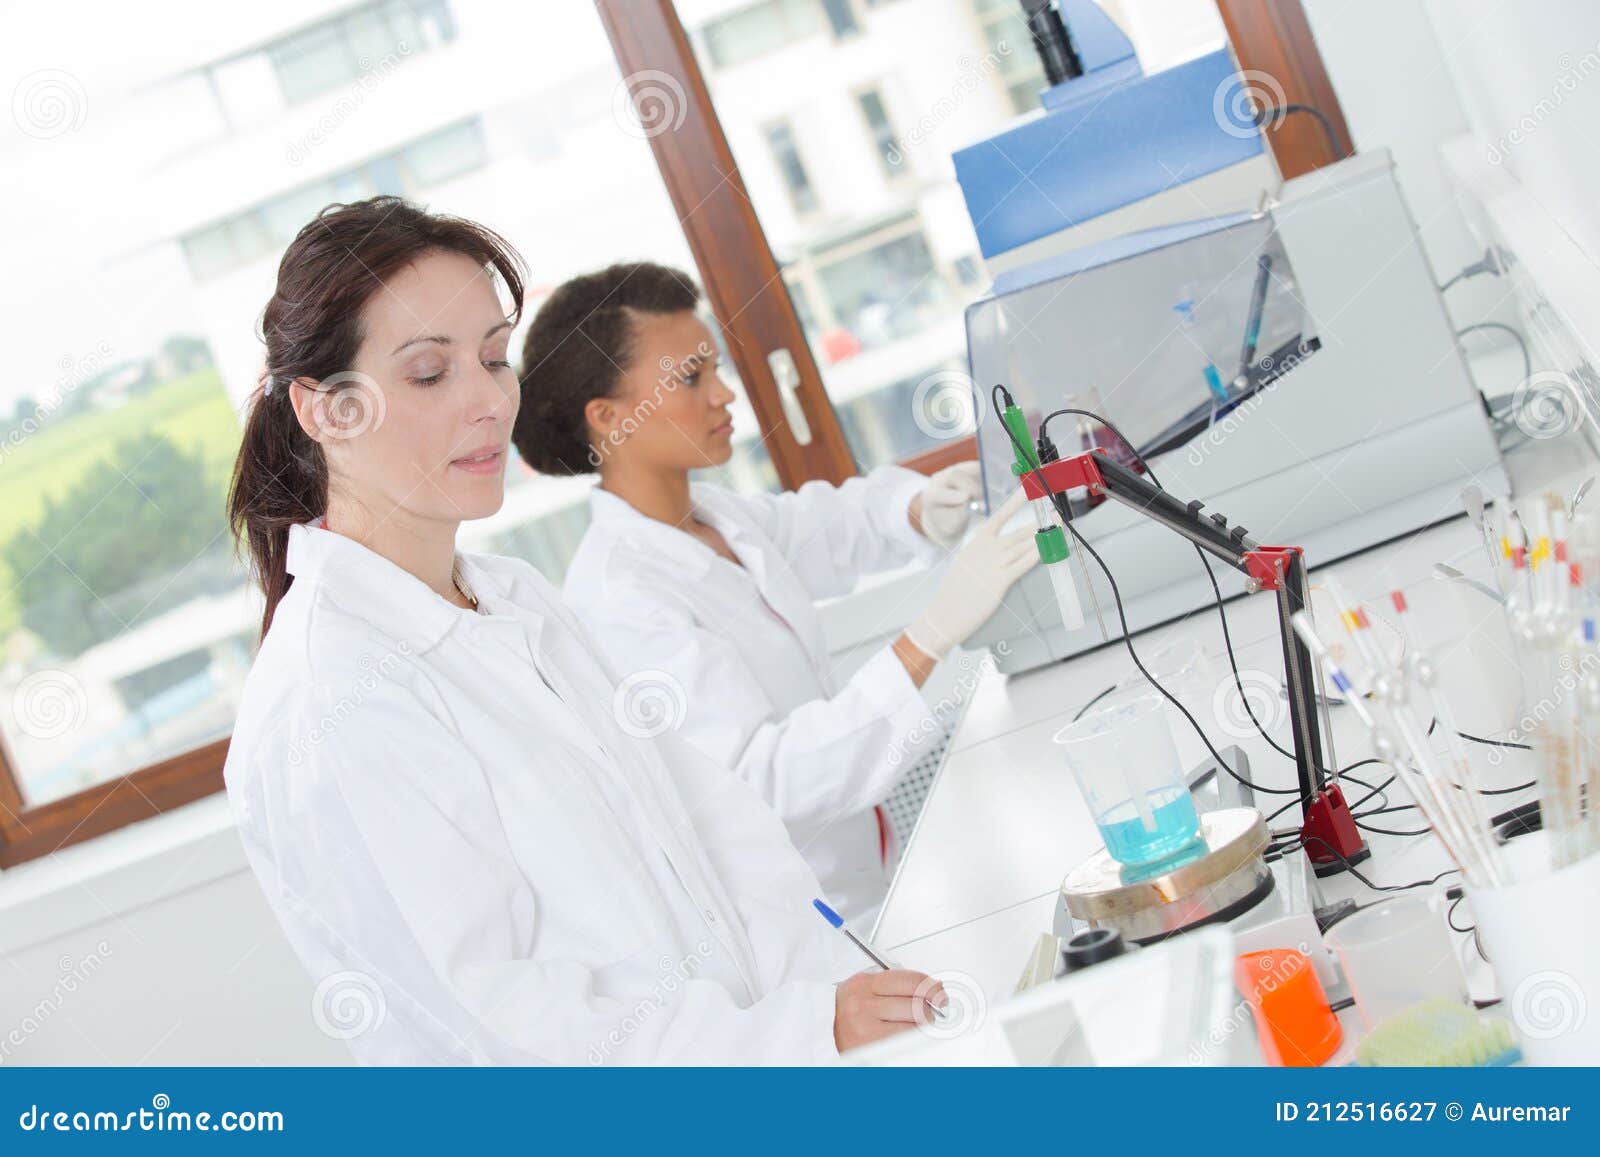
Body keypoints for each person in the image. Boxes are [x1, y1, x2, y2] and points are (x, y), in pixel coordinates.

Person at [223, 198, 943, 1065]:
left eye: (494, 357)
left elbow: (713, 825)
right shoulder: (331, 697)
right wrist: (793, 1033)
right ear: (326, 410)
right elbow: (503, 1020)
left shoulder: (516, 599)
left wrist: (824, 1003)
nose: (488, 399)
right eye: (427, 373)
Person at [514, 262, 1038, 925]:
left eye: (716, 368)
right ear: (609, 417)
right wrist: (931, 635)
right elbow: (769, 776)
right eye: (690, 378)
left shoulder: (716, 518)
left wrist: (919, 507)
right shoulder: (621, 599)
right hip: (809, 927)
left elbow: (829, 525)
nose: (724, 395)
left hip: (876, 876)